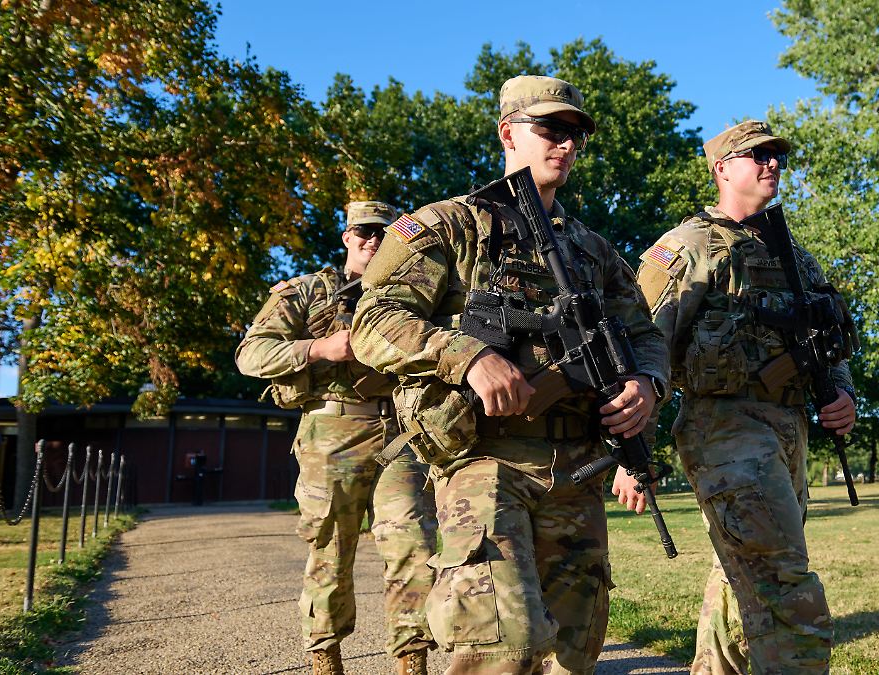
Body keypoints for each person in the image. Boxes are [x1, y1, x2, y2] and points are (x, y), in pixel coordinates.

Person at [349, 75, 669, 675]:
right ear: (507, 133)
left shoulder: (592, 249)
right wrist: (466, 355)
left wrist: (647, 384)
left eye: (574, 133)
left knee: (575, 654)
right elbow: (373, 321)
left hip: (578, 467)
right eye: (550, 129)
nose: (566, 144)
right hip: (483, 461)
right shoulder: (447, 227)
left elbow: (645, 334)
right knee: (501, 647)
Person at [634, 120, 857, 675]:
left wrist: (843, 395)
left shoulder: (794, 256)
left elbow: (831, 337)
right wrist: (634, 451)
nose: (771, 164)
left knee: (740, 571)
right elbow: (644, 351)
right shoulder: (685, 249)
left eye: (776, 156)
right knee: (782, 577)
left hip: (788, 427)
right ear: (721, 168)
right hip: (722, 427)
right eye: (756, 155)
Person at [235, 201, 438, 675]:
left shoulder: (413, 295)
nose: (373, 240)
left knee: (414, 546)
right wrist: (320, 348)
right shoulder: (307, 292)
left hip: (402, 432)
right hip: (332, 431)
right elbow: (250, 354)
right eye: (364, 232)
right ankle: (325, 660)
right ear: (347, 236)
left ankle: (413, 661)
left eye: (383, 234)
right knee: (330, 550)